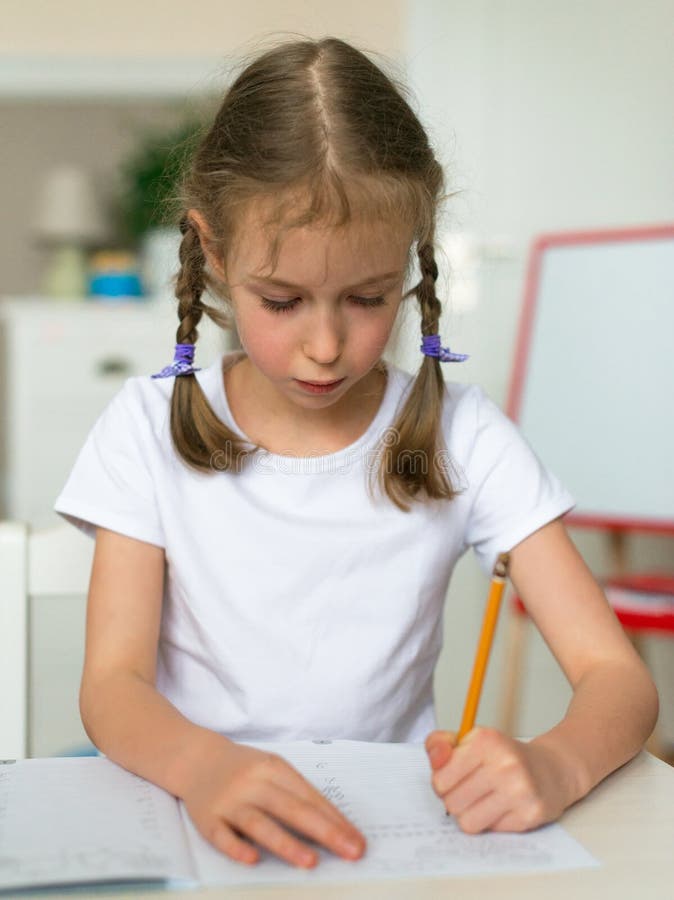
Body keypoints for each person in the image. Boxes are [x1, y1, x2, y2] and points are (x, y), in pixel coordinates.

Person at [55, 36, 658, 871]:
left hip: (387, 842)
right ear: (216, 253)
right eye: (283, 300)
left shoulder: (464, 434)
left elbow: (616, 677)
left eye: (368, 299)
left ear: (411, 262)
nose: (327, 346)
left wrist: (556, 763)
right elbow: (111, 688)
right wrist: (203, 766)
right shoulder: (144, 427)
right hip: (183, 813)